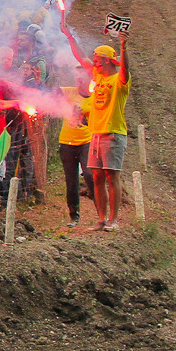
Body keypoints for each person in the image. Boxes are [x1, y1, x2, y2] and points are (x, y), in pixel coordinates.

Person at [63, 27, 131, 230]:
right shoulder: (98, 77)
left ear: (108, 61)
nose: (94, 64)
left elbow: (125, 71)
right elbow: (80, 56)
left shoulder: (118, 81)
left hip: (113, 134)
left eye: (98, 60)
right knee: (97, 177)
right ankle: (101, 219)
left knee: (112, 176)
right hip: (95, 134)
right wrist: (68, 36)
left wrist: (123, 47)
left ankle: (113, 220)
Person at [58, 73, 94, 228]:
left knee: (89, 173)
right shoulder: (69, 92)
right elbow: (49, 93)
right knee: (71, 180)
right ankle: (74, 216)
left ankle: (100, 208)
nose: (78, 81)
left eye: (81, 78)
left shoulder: (95, 97)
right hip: (67, 141)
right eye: (77, 78)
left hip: (87, 140)